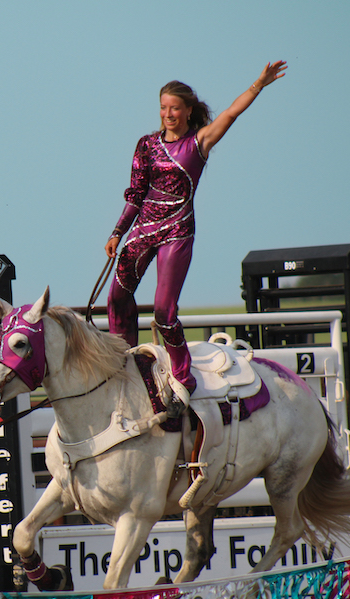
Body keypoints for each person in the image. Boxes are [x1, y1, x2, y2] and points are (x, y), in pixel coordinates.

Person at [105, 61, 287, 412]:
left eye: (174, 108)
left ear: (188, 111)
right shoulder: (146, 145)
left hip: (177, 232)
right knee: (117, 298)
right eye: (163, 108)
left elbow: (231, 114)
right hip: (143, 230)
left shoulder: (198, 142)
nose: (168, 114)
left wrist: (259, 84)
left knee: (164, 311)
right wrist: (117, 232)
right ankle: (122, 364)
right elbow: (136, 194)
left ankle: (182, 377)